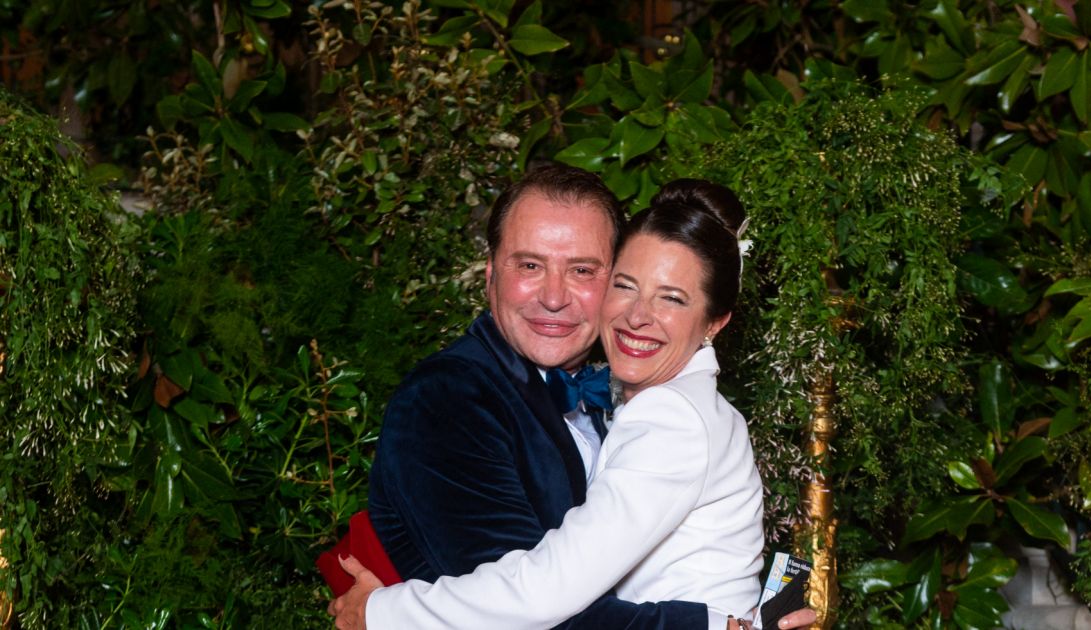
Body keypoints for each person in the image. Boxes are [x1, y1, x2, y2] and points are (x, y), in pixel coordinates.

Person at [330, 166, 816, 630]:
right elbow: (537, 613)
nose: (555, 296)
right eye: (529, 265)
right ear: (489, 274)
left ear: (715, 321)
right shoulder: (448, 401)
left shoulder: (649, 403)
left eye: (583, 270)